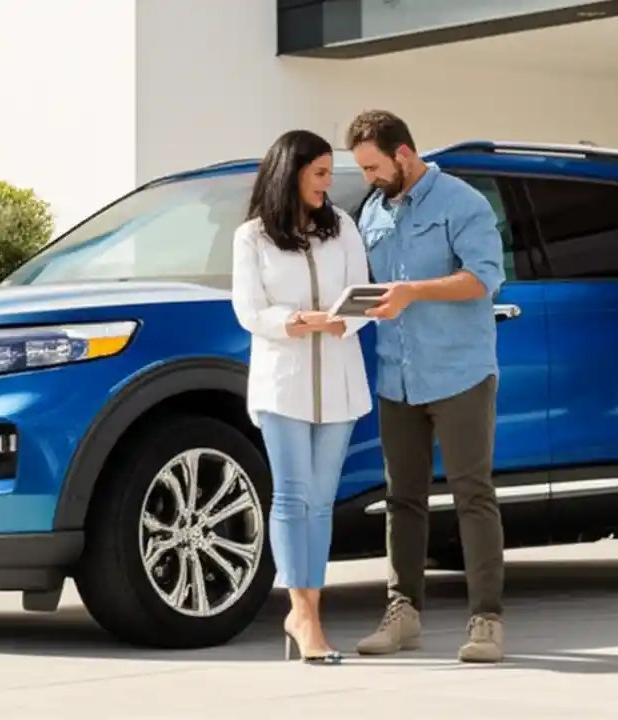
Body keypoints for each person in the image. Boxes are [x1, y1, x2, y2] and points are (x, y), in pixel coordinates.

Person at [344, 110, 508, 663]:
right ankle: (403, 615)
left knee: (472, 495)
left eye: (372, 166)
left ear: (404, 155)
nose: (367, 177)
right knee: (402, 500)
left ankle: (486, 620)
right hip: (397, 376)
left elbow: (484, 278)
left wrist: (413, 290)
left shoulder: (462, 203)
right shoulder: (372, 211)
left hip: (460, 372)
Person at [230, 129, 373, 665]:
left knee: (320, 501)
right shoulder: (252, 237)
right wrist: (294, 322)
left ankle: (309, 607)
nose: (327, 184)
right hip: (281, 385)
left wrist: (347, 322)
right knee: (291, 496)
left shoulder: (344, 229)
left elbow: (363, 292)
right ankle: (304, 614)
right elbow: (248, 310)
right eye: (319, 174)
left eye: (329, 175)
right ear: (290, 173)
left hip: (339, 385)